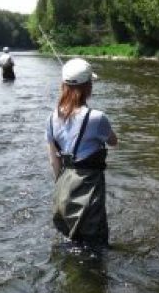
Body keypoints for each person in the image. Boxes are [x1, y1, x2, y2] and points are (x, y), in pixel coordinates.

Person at [46, 58, 118, 245]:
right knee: (95, 246)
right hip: (88, 188)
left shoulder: (51, 118)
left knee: (70, 243)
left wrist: (62, 187)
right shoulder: (97, 118)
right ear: (88, 87)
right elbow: (114, 142)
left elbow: (54, 161)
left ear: (63, 85)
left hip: (62, 187)